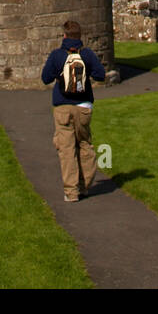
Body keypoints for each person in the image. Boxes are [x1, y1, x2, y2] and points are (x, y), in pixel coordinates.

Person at [41, 20, 106, 202]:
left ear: (64, 35)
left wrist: (59, 73)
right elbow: (101, 75)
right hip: (84, 107)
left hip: (63, 107)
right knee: (85, 145)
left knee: (67, 149)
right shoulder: (87, 54)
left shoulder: (57, 55)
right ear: (80, 36)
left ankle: (71, 192)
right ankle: (84, 186)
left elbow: (45, 78)